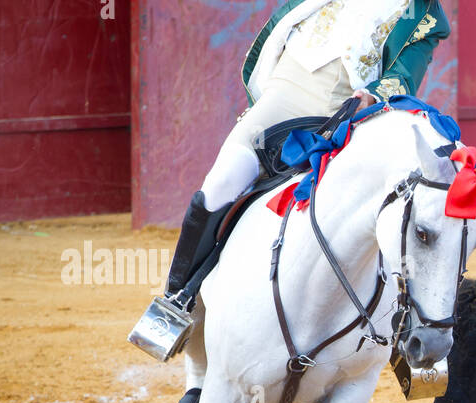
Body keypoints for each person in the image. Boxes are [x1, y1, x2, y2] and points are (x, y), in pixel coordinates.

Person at [133, 0, 450, 361]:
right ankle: (176, 303)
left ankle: (399, 333)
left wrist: (376, 94)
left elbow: (404, 74)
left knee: (376, 212)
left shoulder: (425, 16)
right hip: (281, 99)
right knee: (218, 186)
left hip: (341, 112)